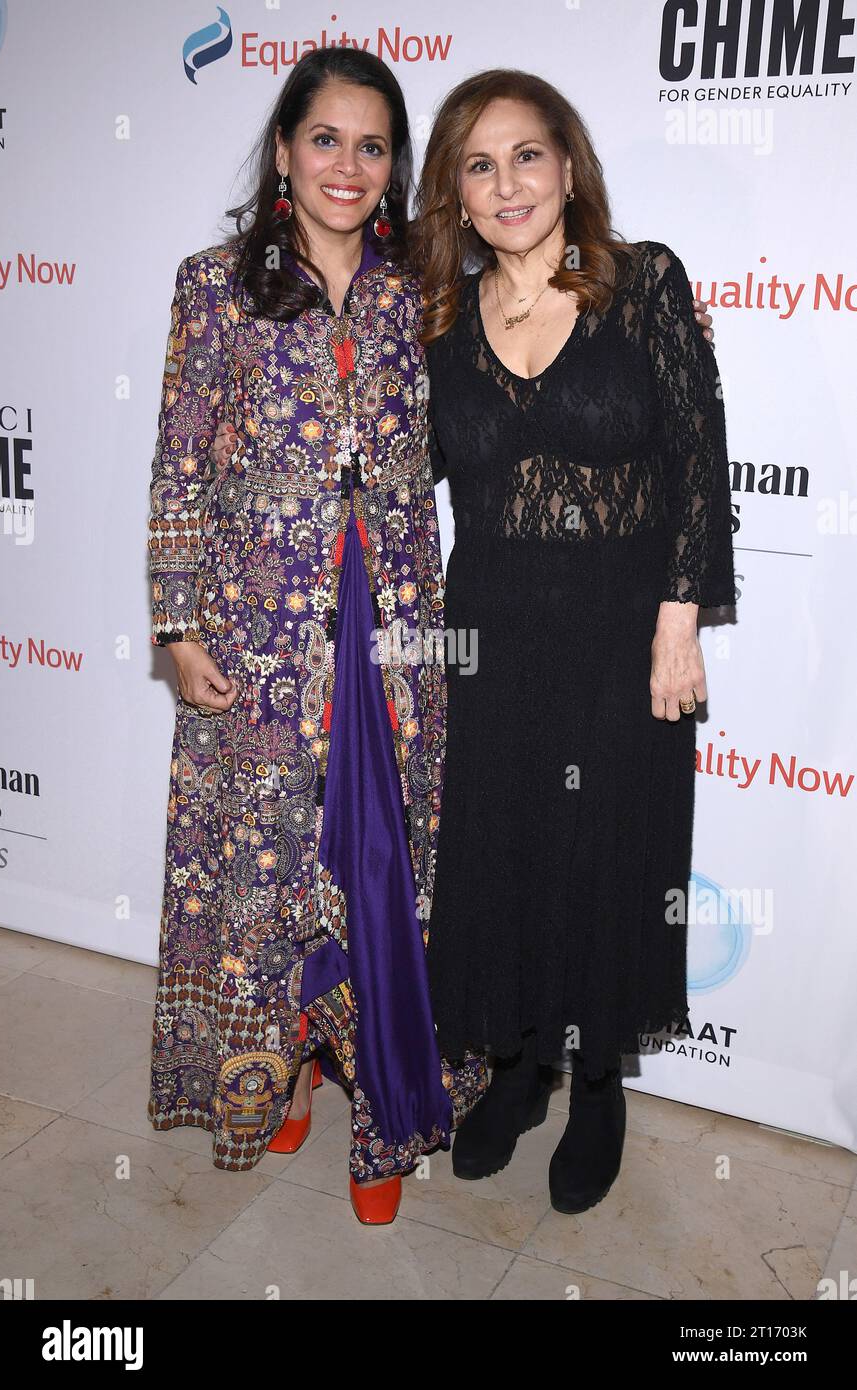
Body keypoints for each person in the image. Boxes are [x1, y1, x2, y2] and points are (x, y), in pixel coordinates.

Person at [145, 46, 486, 1226]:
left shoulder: (422, 290)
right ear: (286, 150)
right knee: (267, 867)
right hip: (262, 625)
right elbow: (182, 457)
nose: (349, 164)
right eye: (326, 138)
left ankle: (383, 1104)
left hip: (392, 625)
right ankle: (281, 1061)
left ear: (396, 167)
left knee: (382, 864)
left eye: (374, 144)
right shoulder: (212, 284)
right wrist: (175, 619)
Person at [410, 69, 736, 1214]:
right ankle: (517, 1068)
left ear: (568, 165)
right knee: (501, 846)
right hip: (490, 624)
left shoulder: (641, 281)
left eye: (527, 155)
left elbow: (700, 456)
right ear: (454, 189)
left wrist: (678, 623)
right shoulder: (439, 317)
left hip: (621, 623)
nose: (507, 184)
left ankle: (597, 1082)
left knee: (606, 851)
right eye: (480, 164)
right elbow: (407, 484)